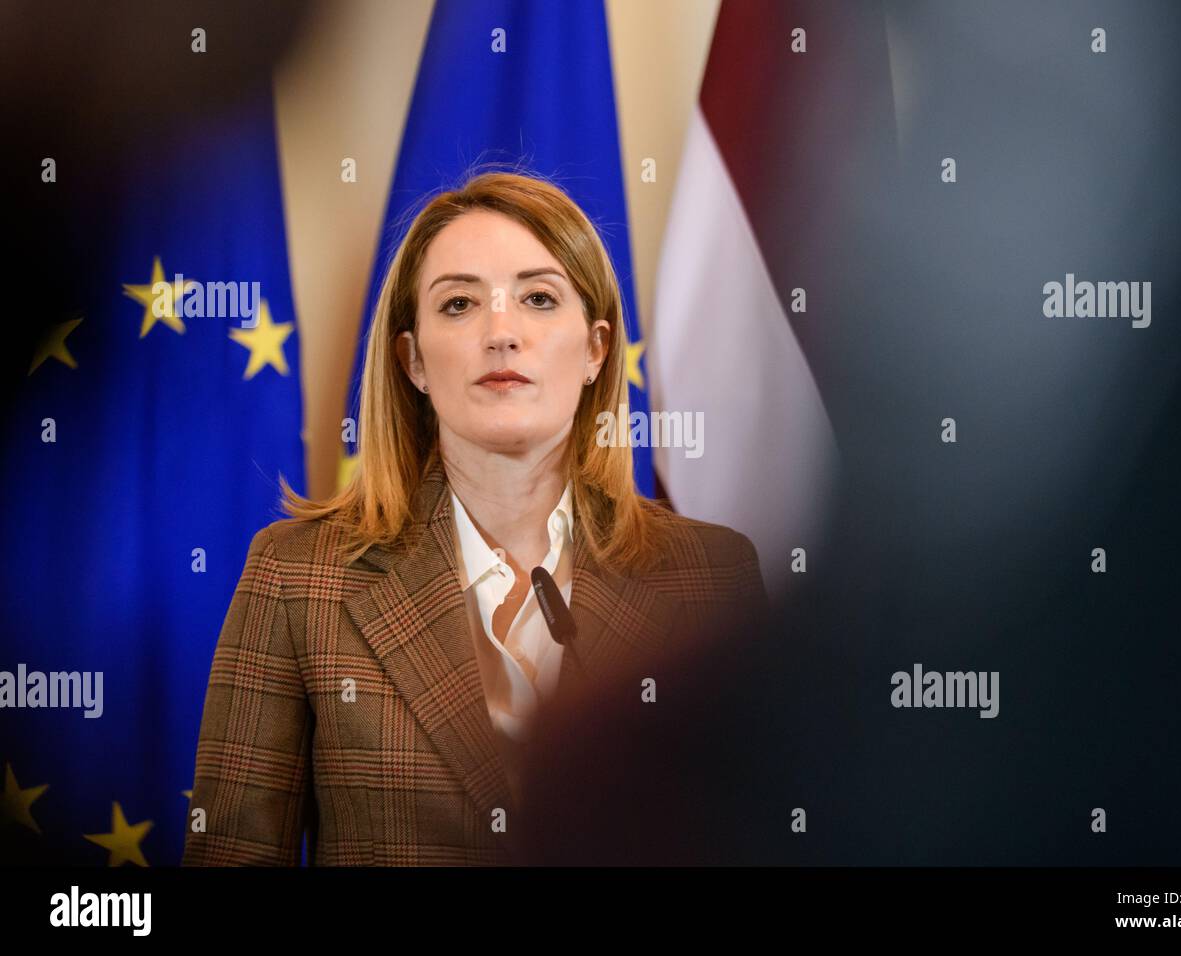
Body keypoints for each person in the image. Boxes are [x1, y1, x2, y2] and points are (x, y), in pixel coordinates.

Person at [181, 170, 767, 865]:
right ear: (413, 360)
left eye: (539, 298)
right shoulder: (298, 575)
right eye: (459, 304)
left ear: (595, 350)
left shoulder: (712, 577)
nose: (501, 332)